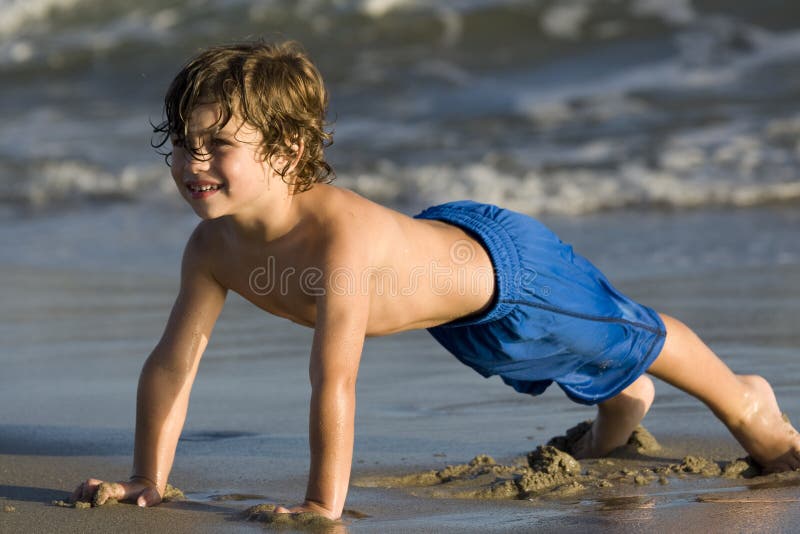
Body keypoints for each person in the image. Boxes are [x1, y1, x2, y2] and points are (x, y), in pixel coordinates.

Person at [72, 41, 800, 520]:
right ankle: (624, 402)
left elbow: (335, 382)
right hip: (448, 297)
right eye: (183, 145)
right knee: (548, 356)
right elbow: (174, 363)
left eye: (218, 146)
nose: (193, 163)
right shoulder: (210, 247)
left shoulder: (336, 241)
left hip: (502, 270)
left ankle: (747, 402)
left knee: (627, 330)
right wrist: (147, 477)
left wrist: (322, 505)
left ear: (289, 149)